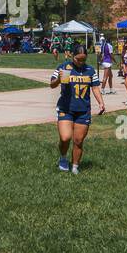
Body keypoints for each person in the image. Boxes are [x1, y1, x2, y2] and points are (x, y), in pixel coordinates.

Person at [51, 43, 104, 174]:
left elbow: (95, 87)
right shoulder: (64, 67)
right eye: (78, 59)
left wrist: (101, 103)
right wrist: (59, 79)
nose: (80, 62)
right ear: (72, 56)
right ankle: (63, 158)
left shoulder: (90, 70)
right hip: (66, 108)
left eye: (83, 59)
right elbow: (52, 85)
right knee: (65, 138)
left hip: (83, 110)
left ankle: (75, 167)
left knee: (78, 140)